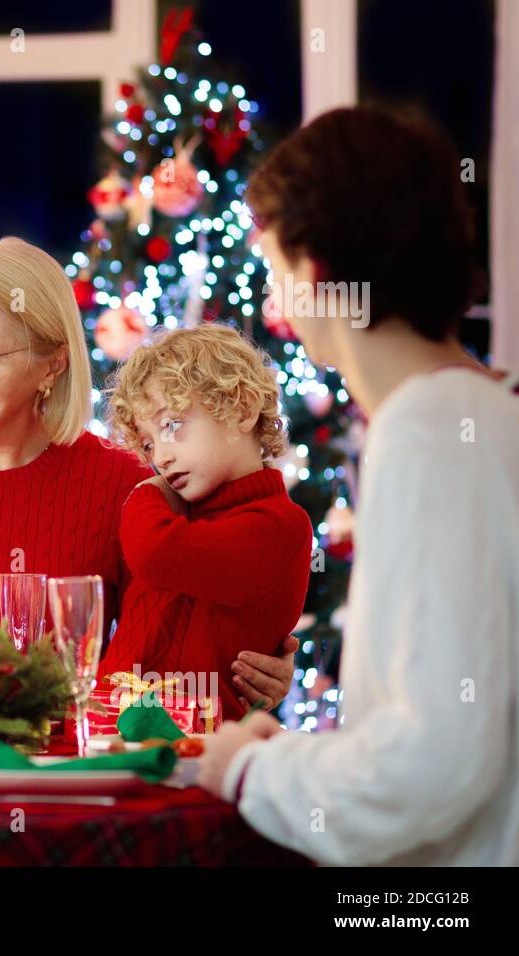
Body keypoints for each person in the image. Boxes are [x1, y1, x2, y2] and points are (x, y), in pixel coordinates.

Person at [197, 106, 519, 865]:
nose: (276, 306)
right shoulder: (485, 411)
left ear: (313, 274)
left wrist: (252, 768)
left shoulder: (429, 431)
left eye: (276, 271)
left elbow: (432, 757)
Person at [0, 238, 297, 707]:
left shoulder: (130, 489)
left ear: (53, 364)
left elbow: (179, 640)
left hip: (61, 779)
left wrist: (259, 665)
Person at [99, 324, 313, 721]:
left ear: (243, 408)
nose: (159, 457)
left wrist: (146, 491)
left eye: (171, 425)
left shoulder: (280, 525)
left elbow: (156, 553)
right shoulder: (179, 513)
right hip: (114, 735)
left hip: (196, 752)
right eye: (148, 444)